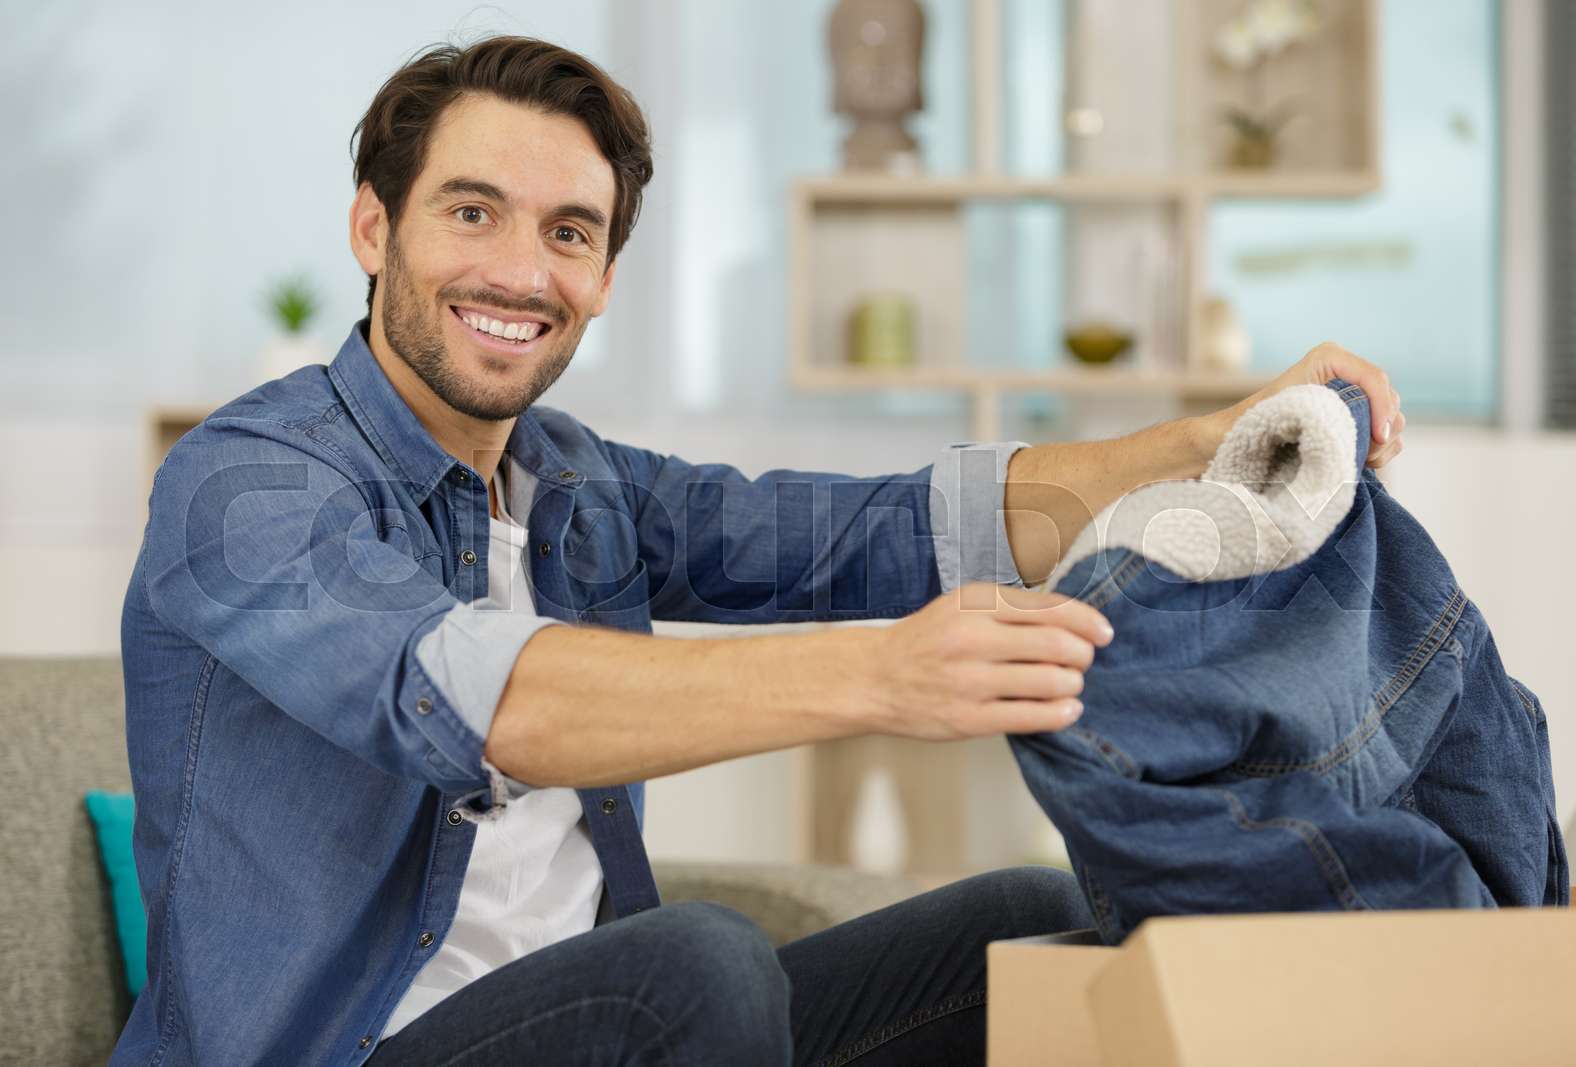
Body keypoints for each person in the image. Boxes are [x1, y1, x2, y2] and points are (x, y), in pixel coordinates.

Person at [112, 35, 1406, 1067]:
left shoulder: (578, 483)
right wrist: (882, 677)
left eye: (569, 231)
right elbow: (481, 696)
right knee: (696, 963)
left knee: (1021, 928)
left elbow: (887, 530)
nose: (521, 269)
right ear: (372, 231)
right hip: (352, 1049)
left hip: (597, 1029)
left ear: (606, 276)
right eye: (471, 213)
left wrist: (1200, 439)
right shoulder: (247, 484)